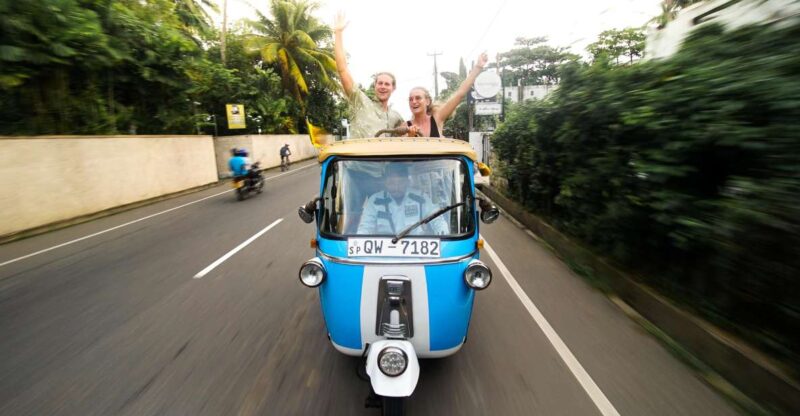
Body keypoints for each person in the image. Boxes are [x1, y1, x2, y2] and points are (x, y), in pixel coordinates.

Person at [334, 12, 405, 138]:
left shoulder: (396, 117)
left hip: (384, 158)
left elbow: (405, 141)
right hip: (359, 157)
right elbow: (342, 69)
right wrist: (338, 33)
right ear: (375, 85)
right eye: (380, 83)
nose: (383, 86)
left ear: (393, 88)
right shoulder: (359, 101)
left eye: (387, 84)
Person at [407, 53, 489, 137]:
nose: (413, 101)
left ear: (427, 101)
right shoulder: (404, 126)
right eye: (410, 99)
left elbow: (459, 94)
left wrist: (478, 67)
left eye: (418, 98)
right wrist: (409, 136)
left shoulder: (437, 117)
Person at [357, 163, 449, 235]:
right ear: (385, 183)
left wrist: (444, 237)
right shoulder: (375, 201)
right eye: (391, 183)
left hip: (417, 248)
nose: (396, 187)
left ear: (407, 182)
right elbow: (365, 227)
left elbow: (437, 219)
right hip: (384, 250)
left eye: (400, 183)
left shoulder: (420, 198)